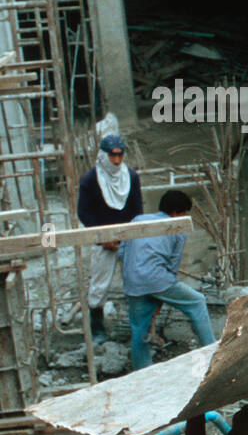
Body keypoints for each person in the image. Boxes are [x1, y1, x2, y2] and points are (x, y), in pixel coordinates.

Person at [119, 189, 216, 370]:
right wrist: (162, 293)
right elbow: (172, 265)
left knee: (140, 328)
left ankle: (142, 373)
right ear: (176, 213)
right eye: (184, 213)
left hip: (133, 282)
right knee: (197, 302)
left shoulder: (138, 220)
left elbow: (122, 253)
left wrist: (135, 278)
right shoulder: (177, 227)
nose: (185, 216)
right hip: (157, 280)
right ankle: (212, 352)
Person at [76, 132, 142, 342]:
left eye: (120, 155)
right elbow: (84, 212)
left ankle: (138, 326)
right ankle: (97, 328)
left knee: (134, 280)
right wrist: (104, 237)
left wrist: (126, 236)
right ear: (103, 155)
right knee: (99, 284)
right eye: (112, 156)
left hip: (128, 238)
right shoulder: (90, 180)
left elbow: (137, 210)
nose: (116, 161)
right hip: (103, 240)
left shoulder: (131, 177)